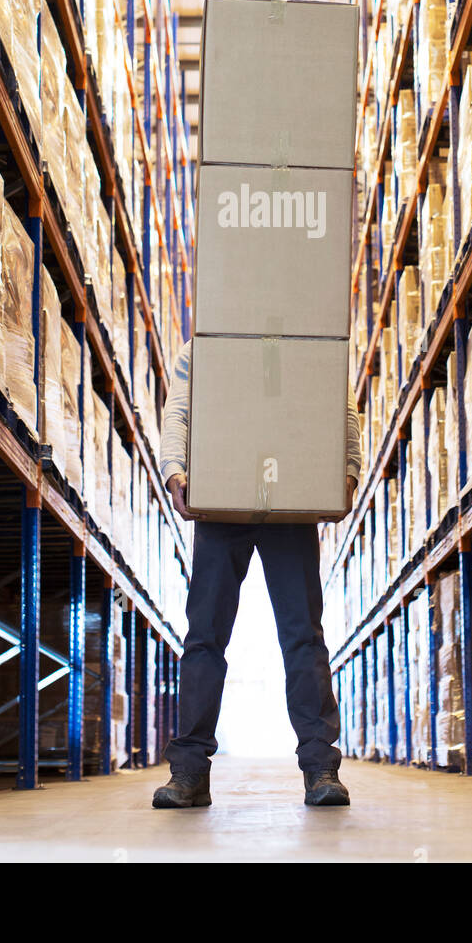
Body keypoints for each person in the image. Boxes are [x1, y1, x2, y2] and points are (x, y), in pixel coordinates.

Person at [151, 338, 361, 810]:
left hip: (290, 502)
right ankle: (188, 773)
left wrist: (347, 468)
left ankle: (320, 770)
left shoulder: (311, 336)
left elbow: (339, 401)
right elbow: (179, 411)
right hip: (221, 502)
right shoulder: (205, 342)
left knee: (303, 636)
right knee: (205, 637)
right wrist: (174, 471)